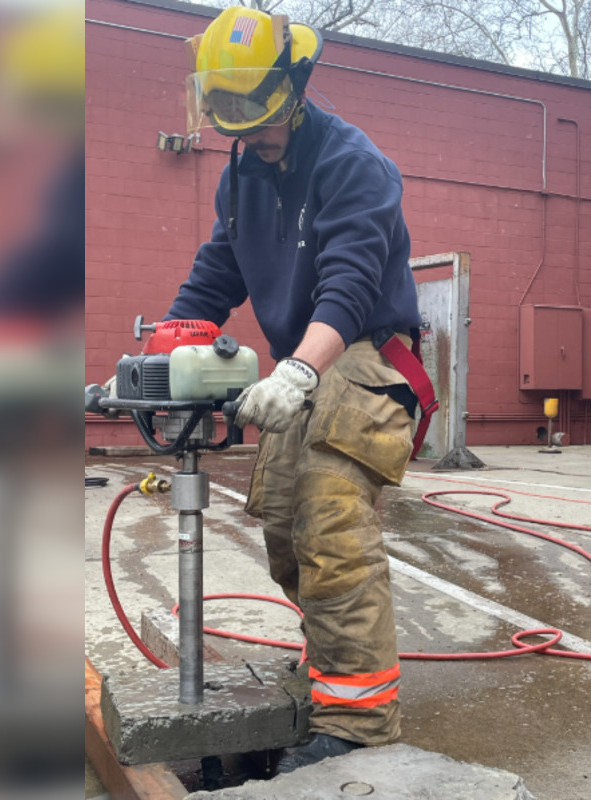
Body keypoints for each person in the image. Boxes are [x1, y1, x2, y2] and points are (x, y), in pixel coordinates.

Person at [162, 7, 430, 773]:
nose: (248, 131)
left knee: (329, 523)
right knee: (284, 533)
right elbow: (216, 275)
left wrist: (301, 369)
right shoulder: (241, 172)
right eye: (233, 116)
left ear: (296, 87)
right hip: (301, 365)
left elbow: (349, 283)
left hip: (363, 354)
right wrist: (159, 354)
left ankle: (358, 725)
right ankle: (335, 677)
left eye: (260, 113)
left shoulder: (353, 162)